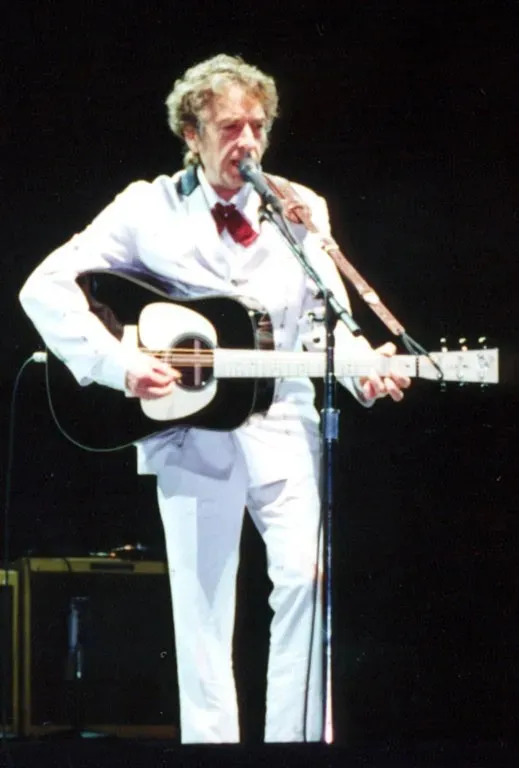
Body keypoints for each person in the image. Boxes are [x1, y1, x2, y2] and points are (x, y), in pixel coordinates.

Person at [19, 53, 410, 743]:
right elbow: (43, 287)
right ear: (191, 134)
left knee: (305, 586)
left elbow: (323, 327)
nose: (247, 143)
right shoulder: (147, 209)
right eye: (229, 127)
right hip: (190, 430)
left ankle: (295, 746)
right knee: (202, 613)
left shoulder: (298, 206)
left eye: (257, 126)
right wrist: (119, 365)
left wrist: (360, 370)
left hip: (285, 422)